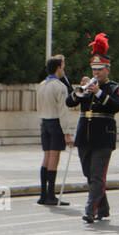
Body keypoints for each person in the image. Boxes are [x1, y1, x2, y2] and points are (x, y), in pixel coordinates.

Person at [66, 33, 119, 224]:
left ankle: (90, 210)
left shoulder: (114, 88)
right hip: (84, 136)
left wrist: (99, 92)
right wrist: (79, 91)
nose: (96, 73)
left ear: (108, 70)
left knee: (98, 175)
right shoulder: (87, 86)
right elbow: (69, 102)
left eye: (100, 69)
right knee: (90, 174)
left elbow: (116, 106)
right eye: (94, 69)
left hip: (103, 138)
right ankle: (104, 208)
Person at [37, 55, 74, 206]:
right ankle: (51, 194)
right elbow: (63, 111)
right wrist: (67, 133)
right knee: (54, 158)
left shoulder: (41, 85)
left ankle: (43, 194)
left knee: (46, 157)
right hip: (55, 123)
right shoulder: (60, 87)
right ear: (58, 68)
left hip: (44, 122)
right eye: (63, 66)